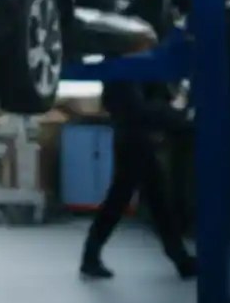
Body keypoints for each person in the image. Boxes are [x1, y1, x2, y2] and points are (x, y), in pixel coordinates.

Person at [80, 30, 198, 280]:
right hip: (133, 140)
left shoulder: (131, 68)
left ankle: (179, 259)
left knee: (146, 200)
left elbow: (151, 99)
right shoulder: (122, 73)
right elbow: (139, 110)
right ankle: (179, 259)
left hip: (135, 139)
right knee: (140, 200)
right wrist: (175, 110)